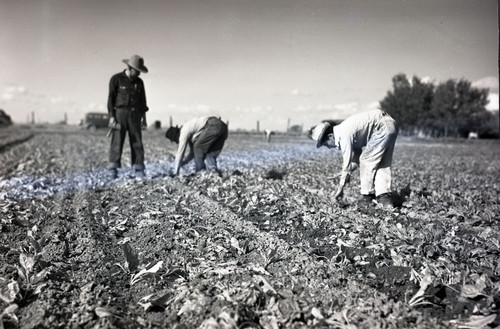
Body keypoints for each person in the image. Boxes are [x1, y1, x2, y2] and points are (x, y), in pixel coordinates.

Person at [309, 109, 399, 208]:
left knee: (366, 160)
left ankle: (367, 197)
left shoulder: (343, 134)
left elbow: (346, 162)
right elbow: (356, 157)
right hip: (390, 124)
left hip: (381, 126)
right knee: (382, 162)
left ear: (330, 136)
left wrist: (340, 188)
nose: (328, 147)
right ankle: (385, 199)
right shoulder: (347, 131)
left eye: (326, 144)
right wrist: (347, 171)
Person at [107, 54, 149, 179]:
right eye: (137, 71)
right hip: (120, 114)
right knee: (117, 141)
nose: (139, 74)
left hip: (135, 115)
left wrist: (144, 118)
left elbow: (143, 102)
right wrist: (111, 117)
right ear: (130, 68)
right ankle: (113, 170)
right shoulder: (116, 79)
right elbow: (111, 99)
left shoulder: (140, 83)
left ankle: (139, 169)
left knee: (137, 141)